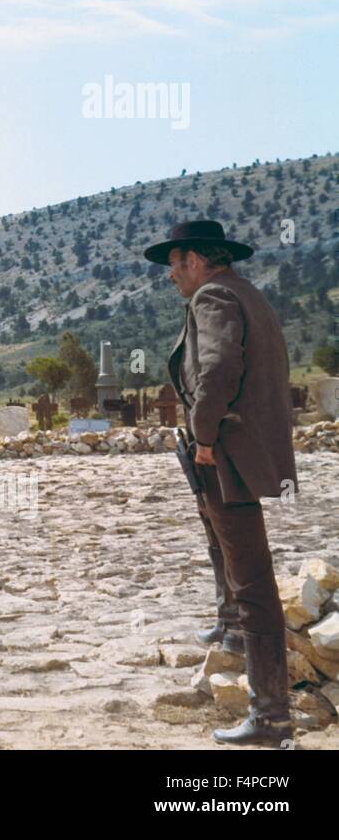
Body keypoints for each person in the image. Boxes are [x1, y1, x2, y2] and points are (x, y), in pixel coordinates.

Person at [144, 221, 297, 748]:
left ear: (194, 261)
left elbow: (217, 369)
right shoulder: (245, 292)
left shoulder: (213, 296)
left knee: (252, 579)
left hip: (228, 453)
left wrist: (204, 435)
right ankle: (231, 629)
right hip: (245, 451)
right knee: (230, 555)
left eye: (174, 263)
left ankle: (270, 716)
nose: (170, 276)